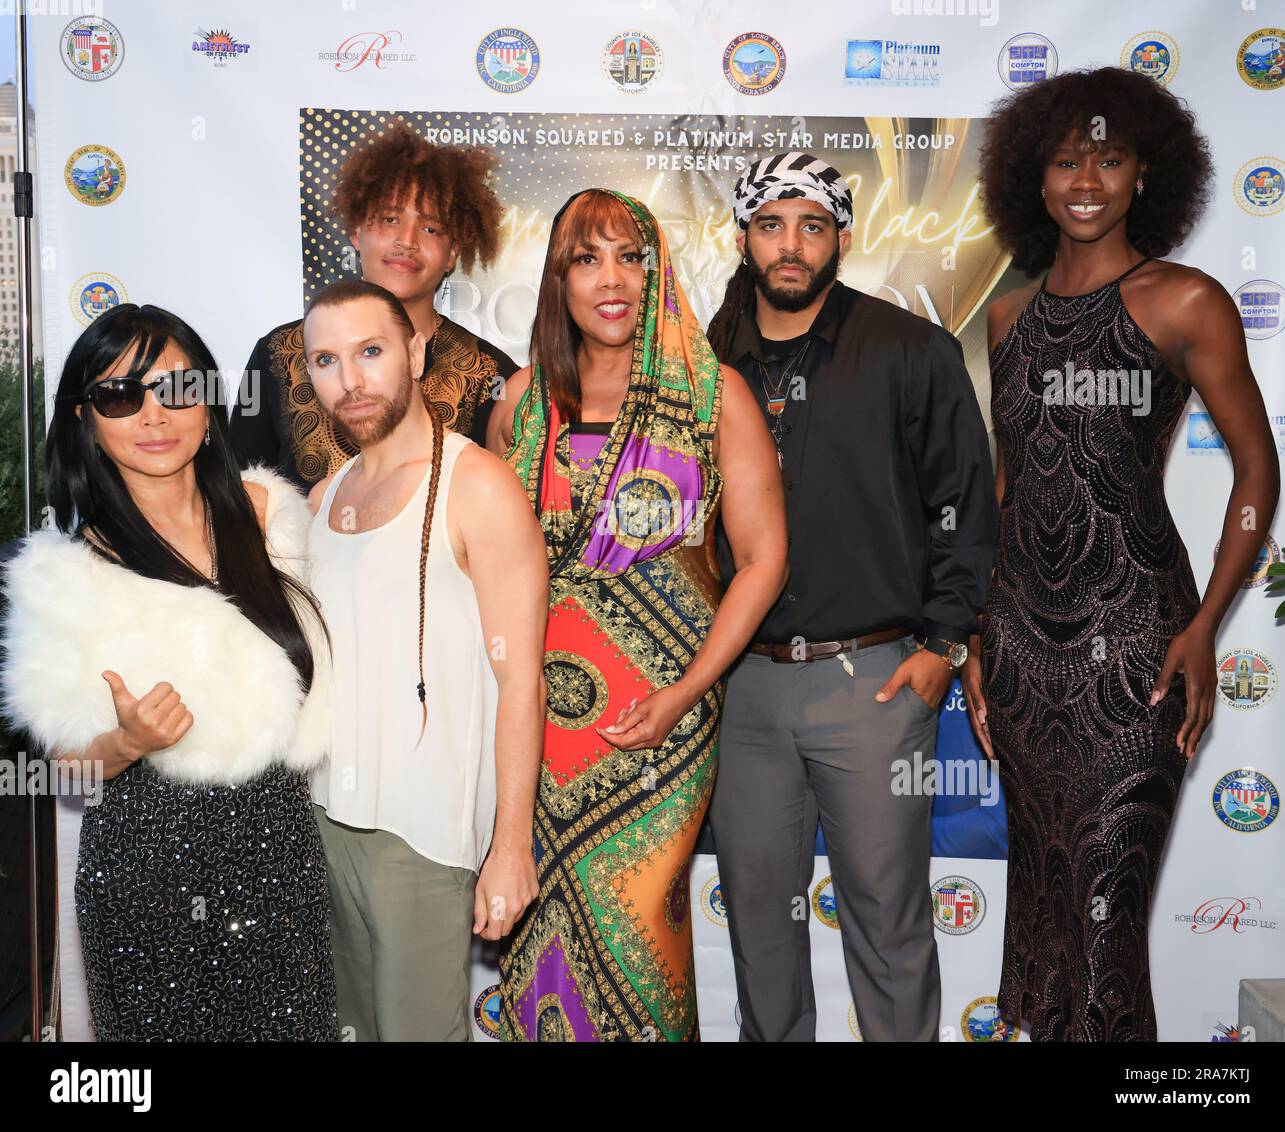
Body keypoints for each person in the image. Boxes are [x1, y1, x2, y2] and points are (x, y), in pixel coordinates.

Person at [966, 67, 1280, 1041]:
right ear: (1036, 175)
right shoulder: (1007, 318)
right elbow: (1006, 493)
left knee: (1104, 927)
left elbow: (1255, 478)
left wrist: (1200, 630)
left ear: (1146, 171)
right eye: (1066, 159)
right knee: (1043, 928)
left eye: (1108, 157)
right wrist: (980, 636)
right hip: (1020, 653)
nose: (1086, 178)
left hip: (1137, 649)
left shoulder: (1184, 300)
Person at [705, 152, 998, 1042]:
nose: (791, 247)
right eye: (771, 224)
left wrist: (943, 645)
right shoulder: (703, 357)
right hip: (742, 688)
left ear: (841, 236)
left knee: (889, 917)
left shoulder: (909, 349)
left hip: (872, 678)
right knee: (758, 918)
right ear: (743, 235)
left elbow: (966, 500)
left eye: (813, 225)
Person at [488, 188, 788, 1041]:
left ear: (657, 273)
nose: (610, 280)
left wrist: (686, 693)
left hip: (666, 709)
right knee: (547, 917)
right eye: (587, 259)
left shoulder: (709, 393)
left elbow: (764, 562)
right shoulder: (524, 404)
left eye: (631, 257)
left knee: (641, 917)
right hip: (543, 720)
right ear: (559, 279)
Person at [0, 304, 336, 1040]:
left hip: (282, 846)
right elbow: (65, 770)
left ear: (209, 402)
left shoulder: (273, 516)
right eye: (121, 396)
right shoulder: (64, 573)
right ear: (87, 420)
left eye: (177, 390)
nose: (155, 415)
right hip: (147, 865)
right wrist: (125, 741)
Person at [303, 279, 548, 1042]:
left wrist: (510, 846)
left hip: (422, 831)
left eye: (371, 351)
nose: (351, 379)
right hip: (319, 813)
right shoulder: (324, 496)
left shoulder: (478, 487)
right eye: (326, 360)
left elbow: (521, 680)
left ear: (413, 351)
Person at [230, 123, 514, 490]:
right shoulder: (278, 354)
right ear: (355, 233)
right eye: (390, 219)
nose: (407, 241)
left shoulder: (491, 376)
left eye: (431, 228)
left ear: (452, 255)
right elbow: (237, 498)